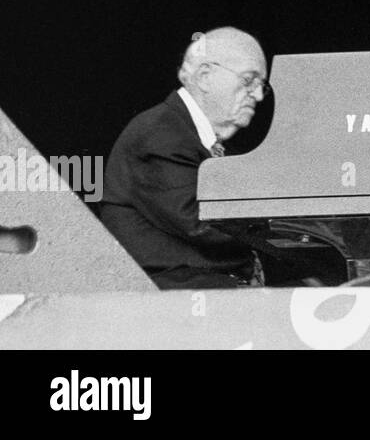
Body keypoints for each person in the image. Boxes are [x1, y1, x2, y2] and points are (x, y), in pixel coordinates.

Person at [101, 27, 268, 288]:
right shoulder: (159, 133)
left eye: (261, 85)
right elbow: (201, 223)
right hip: (170, 297)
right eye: (249, 80)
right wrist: (280, 222)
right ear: (204, 76)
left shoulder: (195, 138)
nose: (258, 95)